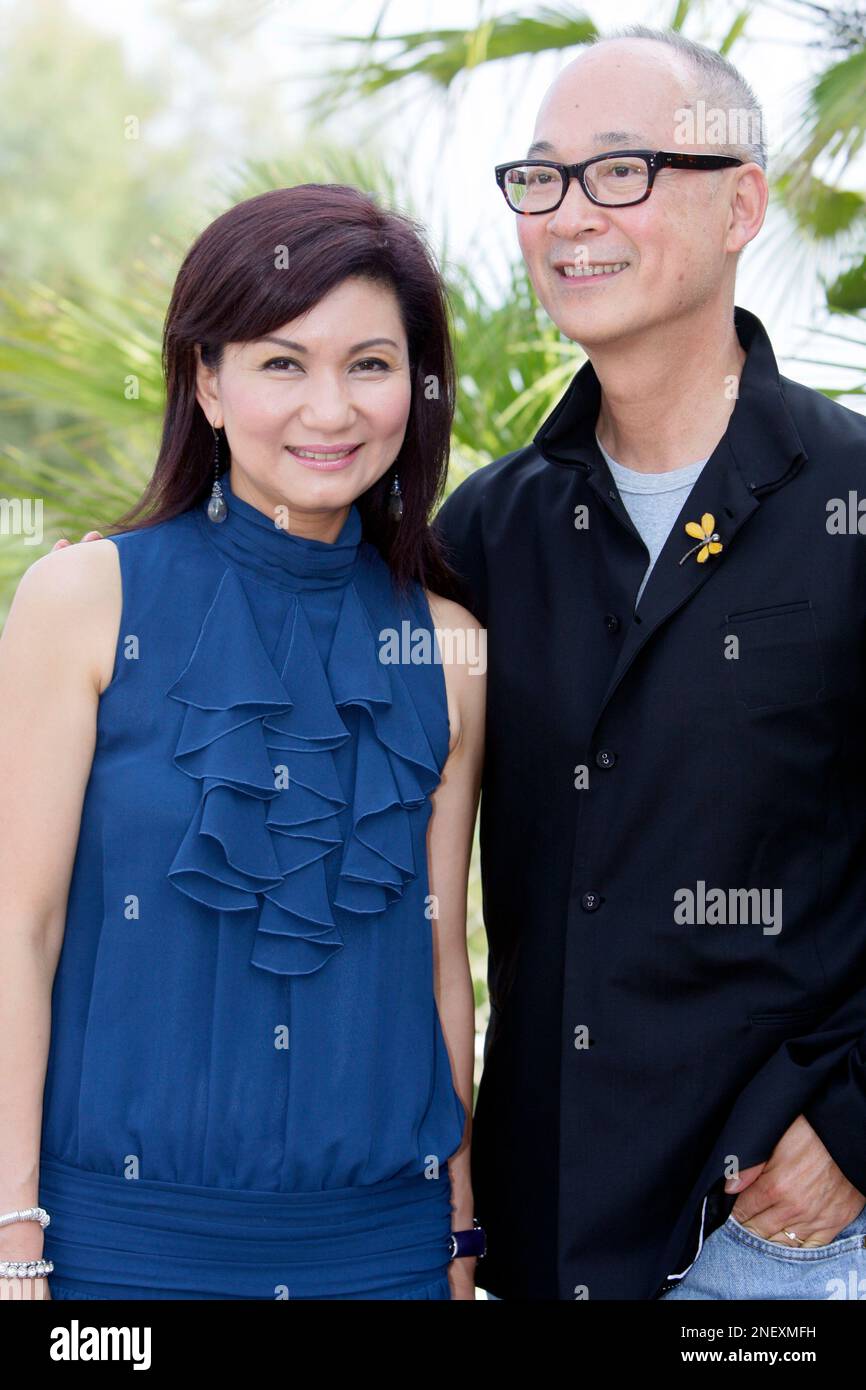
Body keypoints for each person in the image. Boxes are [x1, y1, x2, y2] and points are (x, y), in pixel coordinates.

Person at [432, 27, 866, 1300]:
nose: (569, 216)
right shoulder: (483, 535)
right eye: (541, 179)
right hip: (539, 1231)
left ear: (741, 202)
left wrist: (852, 1128)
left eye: (619, 171)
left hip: (780, 1237)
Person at [0, 184, 486, 1300]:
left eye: (369, 364)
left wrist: (458, 1232)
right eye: (281, 362)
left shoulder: (450, 648)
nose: (331, 408)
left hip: (383, 1249)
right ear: (207, 383)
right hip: (110, 1244)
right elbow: (16, 929)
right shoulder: (83, 597)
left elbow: (439, 959)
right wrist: (11, 1229)